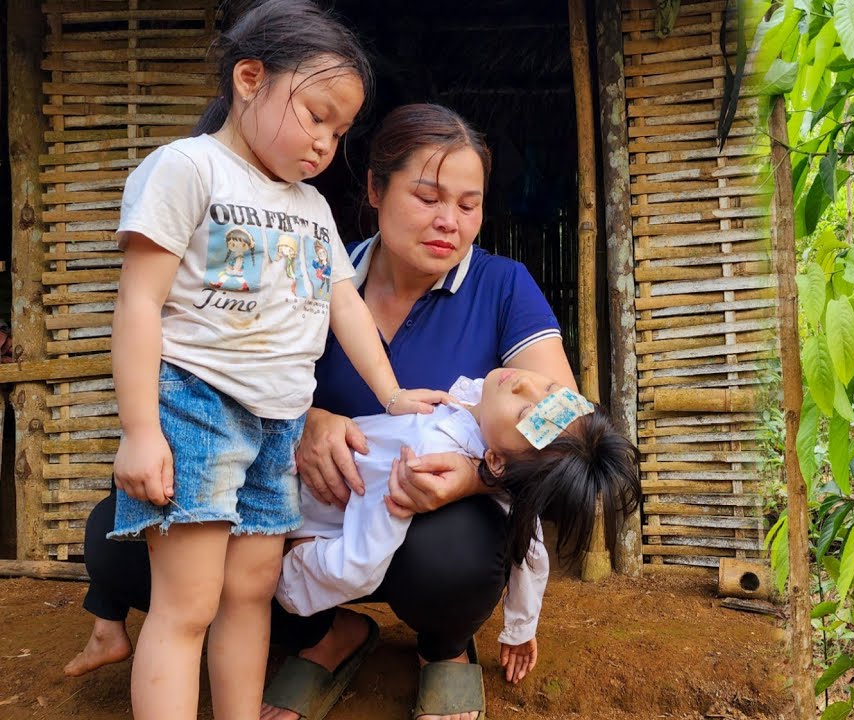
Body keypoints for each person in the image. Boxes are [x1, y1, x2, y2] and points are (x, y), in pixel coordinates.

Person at [70, 102, 582, 720]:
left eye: (468, 205)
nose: (450, 221)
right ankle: (323, 638)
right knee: (117, 540)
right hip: (303, 506)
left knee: (458, 553)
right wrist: (306, 420)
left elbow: (566, 425)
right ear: (374, 187)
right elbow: (239, 367)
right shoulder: (304, 263)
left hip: (424, 524)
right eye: (427, 196)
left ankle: (444, 649)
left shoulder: (503, 285)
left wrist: (473, 477)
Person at [96, 2, 449, 717]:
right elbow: (137, 304)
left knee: (251, 594)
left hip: (280, 423)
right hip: (197, 406)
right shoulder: (186, 169)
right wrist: (140, 430)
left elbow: (343, 306)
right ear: (249, 78)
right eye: (316, 115)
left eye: (339, 130)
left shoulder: (313, 209)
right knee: (186, 604)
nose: (325, 142)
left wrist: (391, 394)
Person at [274, 369, 640, 670]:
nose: (522, 382)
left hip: (283, 506)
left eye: (524, 412)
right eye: (549, 385)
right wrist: (521, 629)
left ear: (494, 462)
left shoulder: (424, 461)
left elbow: (360, 560)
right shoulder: (473, 409)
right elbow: (531, 546)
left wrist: (295, 563)